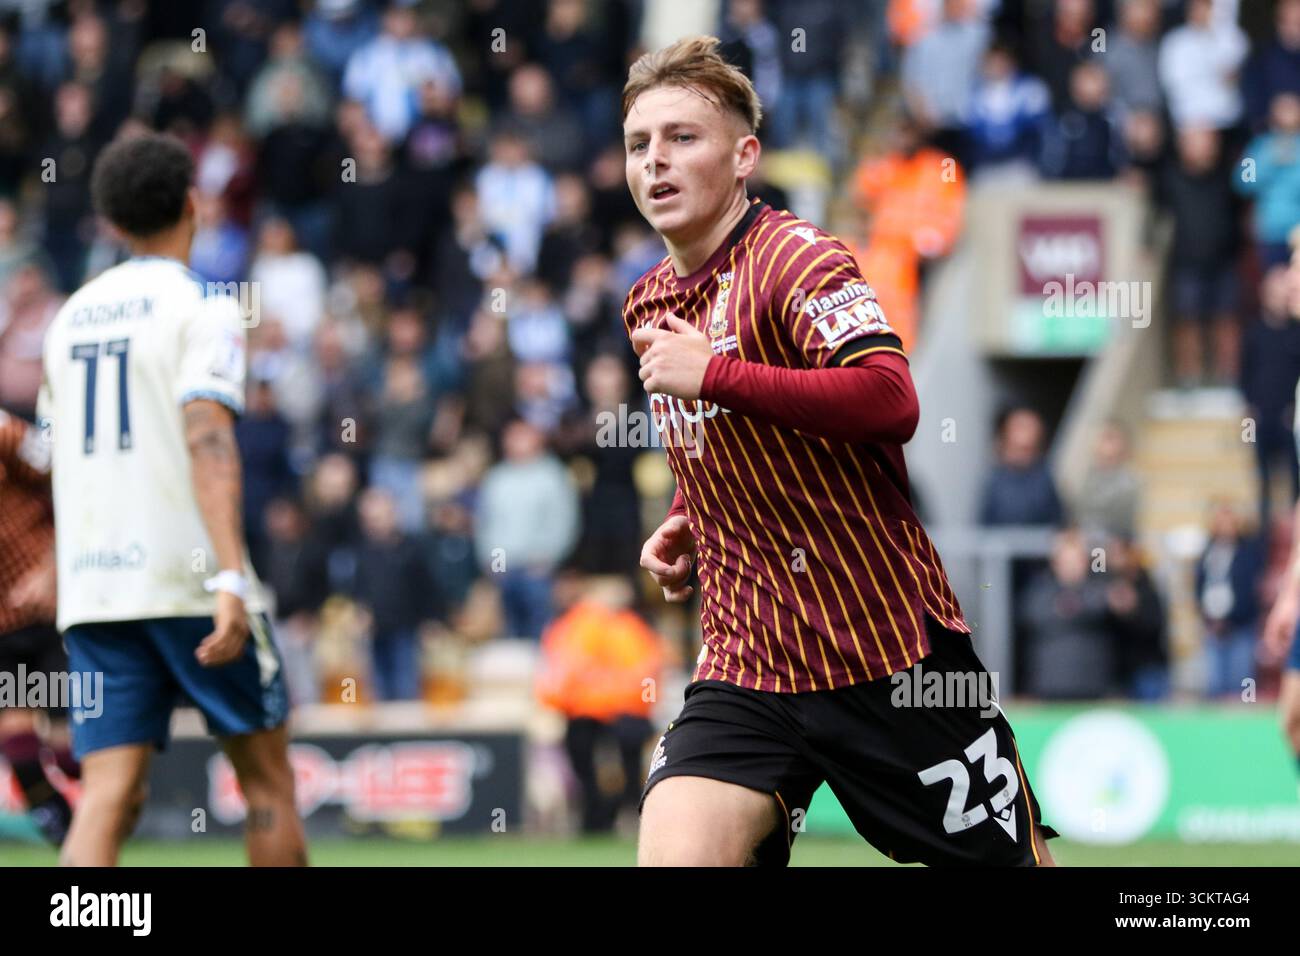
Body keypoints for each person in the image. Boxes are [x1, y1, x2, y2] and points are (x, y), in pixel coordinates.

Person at [622, 36, 1056, 866]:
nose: (656, 162)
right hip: (748, 661)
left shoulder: (797, 259)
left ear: (745, 155)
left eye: (683, 137)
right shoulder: (645, 301)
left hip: (886, 652)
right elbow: (728, 432)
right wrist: (689, 512)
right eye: (640, 144)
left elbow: (891, 399)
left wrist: (714, 374)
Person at [38, 132, 305, 866]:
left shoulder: (69, 319)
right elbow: (207, 438)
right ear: (194, 204)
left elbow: (50, 457)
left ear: (112, 224)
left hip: (97, 589)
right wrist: (228, 575)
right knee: (267, 785)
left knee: (106, 795)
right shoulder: (203, 305)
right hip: (189, 579)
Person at [0, 406, 79, 845]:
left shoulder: (4, 430)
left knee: (73, 750)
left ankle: (113, 807)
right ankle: (73, 844)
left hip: (51, 608)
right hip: (5, 628)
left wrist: (52, 569)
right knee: (21, 750)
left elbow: (69, 476)